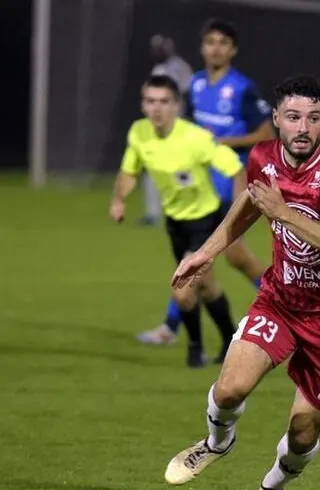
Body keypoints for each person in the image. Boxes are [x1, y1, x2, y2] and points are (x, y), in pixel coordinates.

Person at [162, 74, 320, 490]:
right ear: (276, 119)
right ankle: (215, 444)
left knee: (301, 432)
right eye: (293, 117)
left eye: (314, 118)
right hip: (280, 301)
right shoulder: (262, 157)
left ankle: (272, 487)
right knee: (229, 389)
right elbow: (247, 205)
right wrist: (206, 253)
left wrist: (282, 212)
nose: (303, 127)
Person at [137, 18, 274, 348]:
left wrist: (222, 143)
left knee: (207, 256)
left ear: (233, 50)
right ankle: (287, 308)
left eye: (223, 43)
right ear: (202, 48)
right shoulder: (195, 85)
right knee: (213, 257)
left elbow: (266, 133)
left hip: (232, 182)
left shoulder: (242, 87)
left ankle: (172, 326)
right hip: (201, 186)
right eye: (210, 42)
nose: (215, 48)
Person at [109, 75, 244, 368]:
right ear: (143, 104)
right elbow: (129, 171)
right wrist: (119, 200)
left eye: (164, 101)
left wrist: (236, 214)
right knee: (207, 288)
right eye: (150, 101)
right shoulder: (139, 133)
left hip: (205, 222)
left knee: (182, 289)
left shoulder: (195, 138)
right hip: (175, 224)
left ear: (176, 105)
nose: (157, 108)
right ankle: (231, 341)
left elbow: (236, 170)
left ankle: (195, 349)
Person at [140, 34, 193, 226]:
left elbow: (189, 91)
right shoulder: (165, 68)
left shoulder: (176, 67)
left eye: (160, 48)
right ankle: (155, 213)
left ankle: (185, 208)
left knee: (180, 165)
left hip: (175, 124)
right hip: (161, 125)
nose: (158, 51)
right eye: (155, 48)